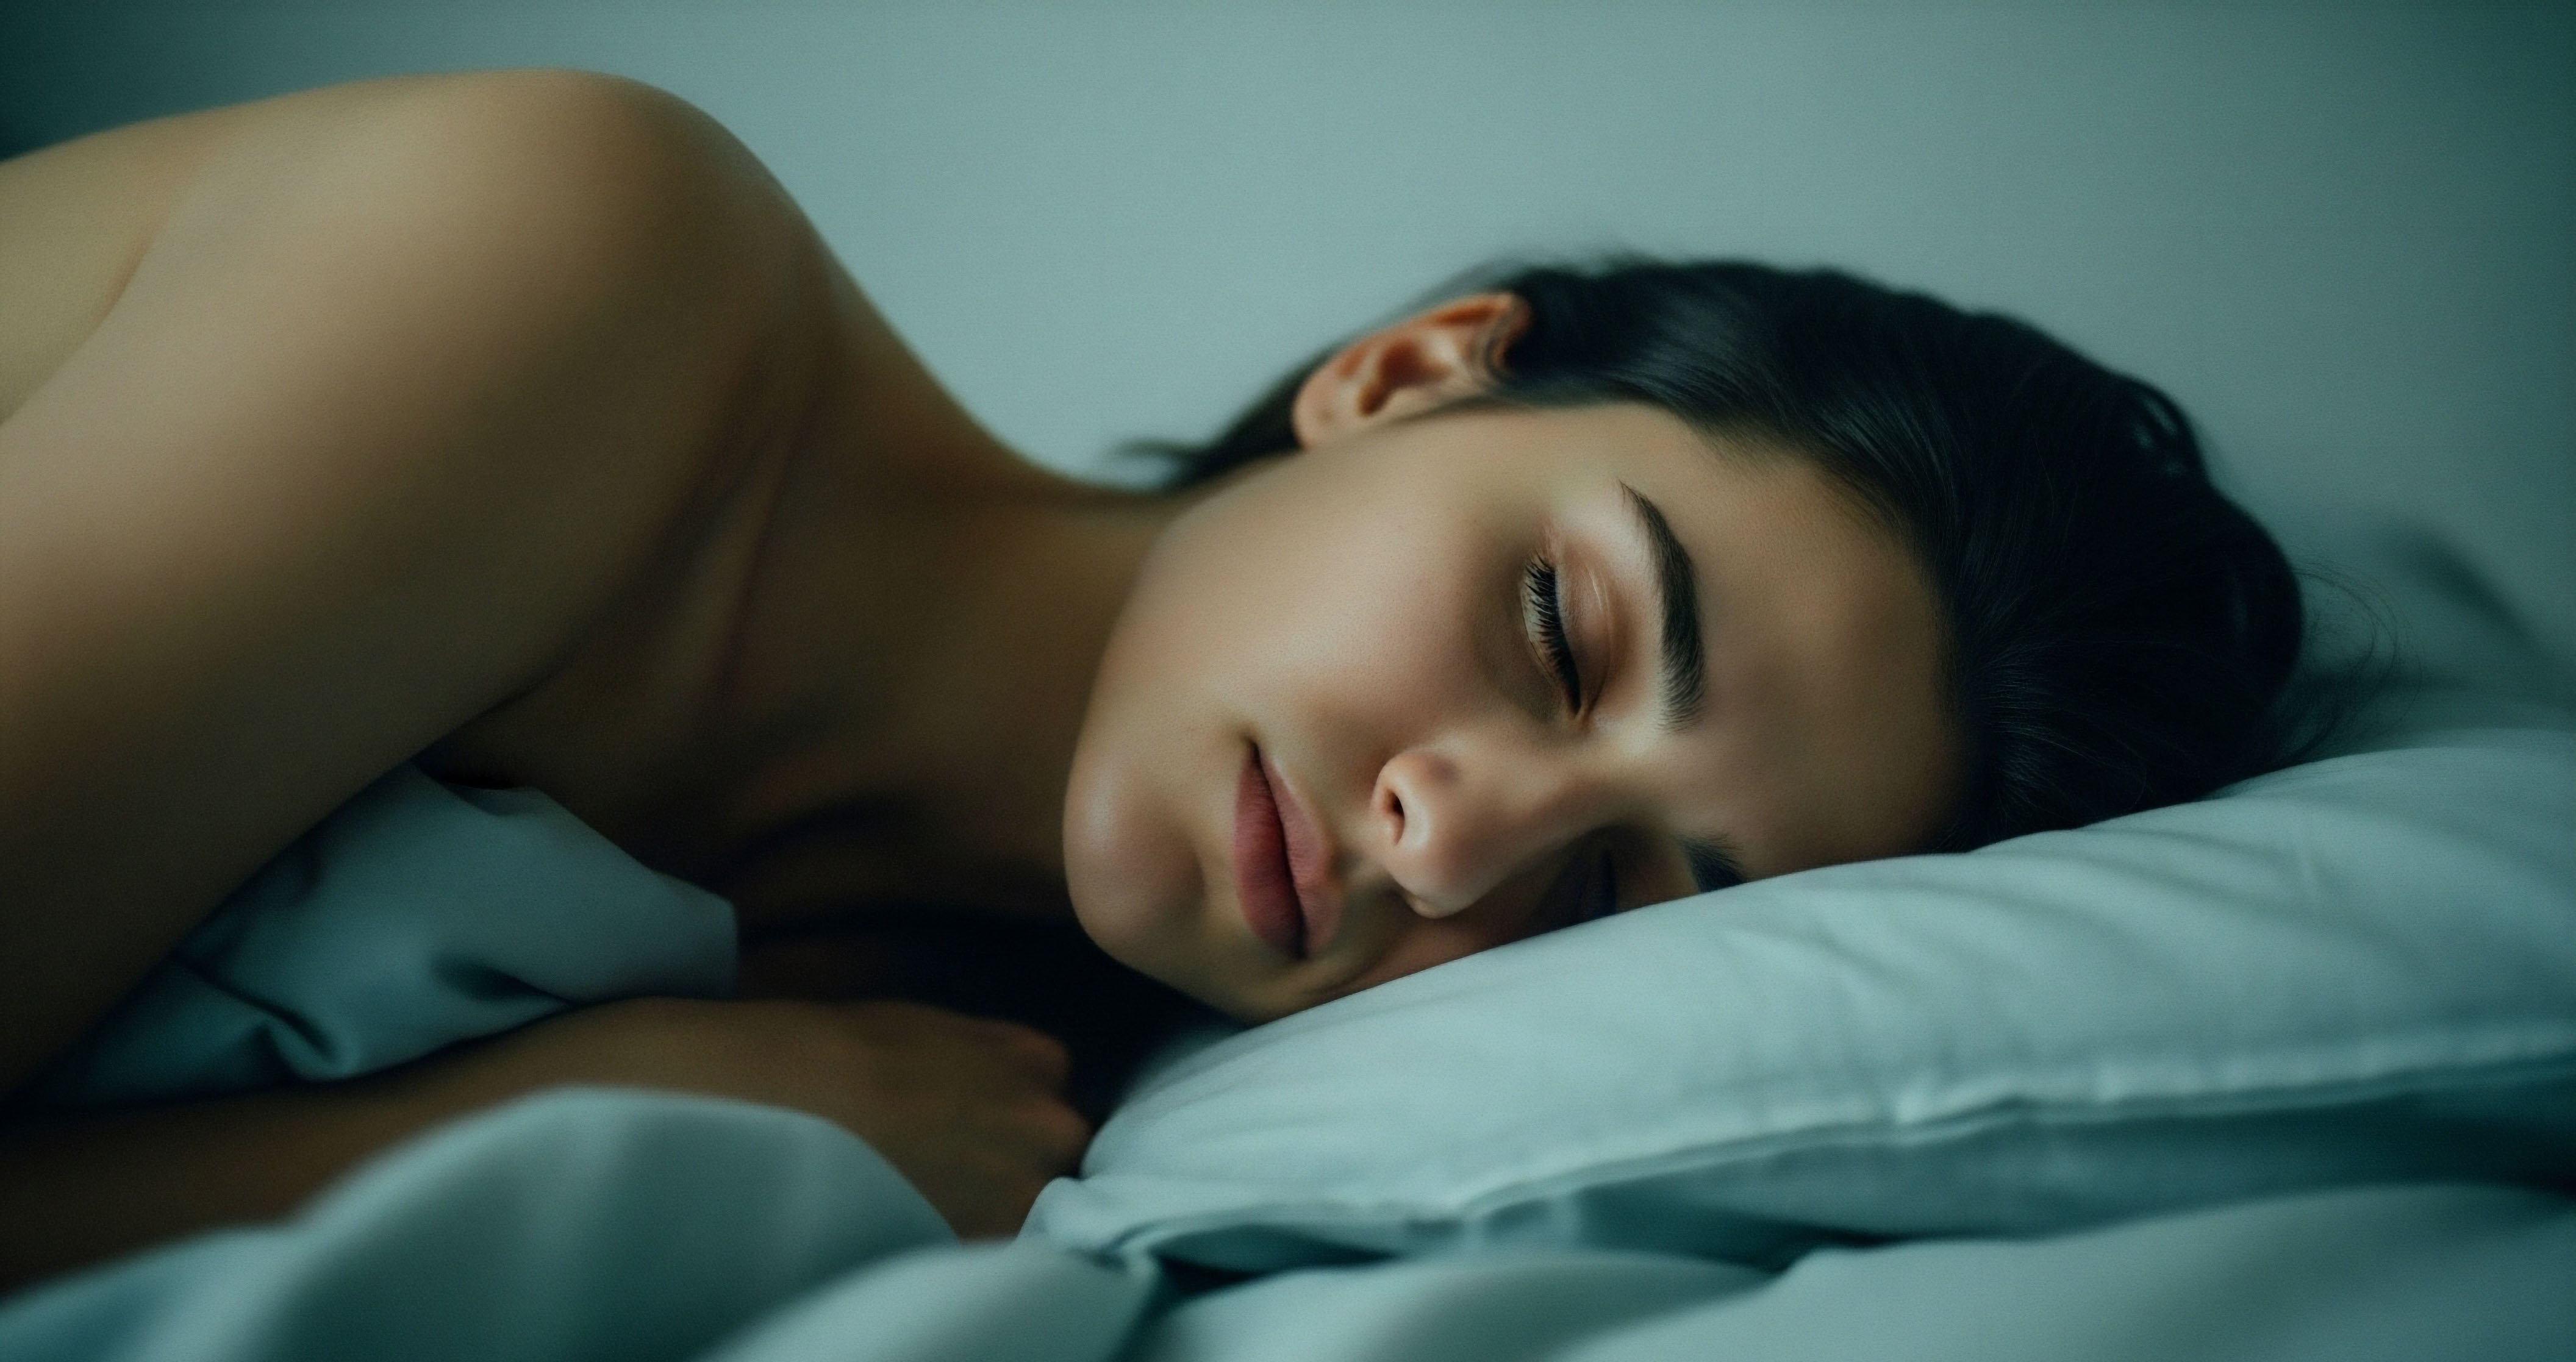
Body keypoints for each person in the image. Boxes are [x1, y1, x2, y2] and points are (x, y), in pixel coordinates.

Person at [0, 71, 2302, 1287]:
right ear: (1407, 376)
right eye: (1563, 630)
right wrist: (521, 1138)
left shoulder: (987, 1103)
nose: (1457, 845)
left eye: (1615, 893)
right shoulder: (580, 265)